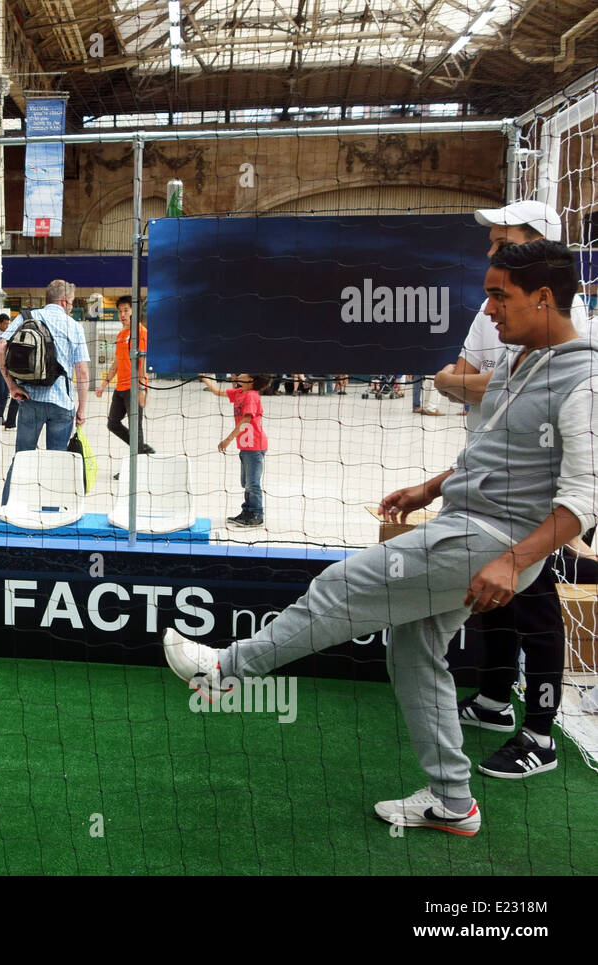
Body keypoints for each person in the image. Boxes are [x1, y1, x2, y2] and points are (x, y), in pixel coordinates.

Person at [165, 241, 598, 835]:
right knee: (414, 651)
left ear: (544, 298)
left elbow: (583, 501)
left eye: (501, 295)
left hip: (493, 542)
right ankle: (452, 802)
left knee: (343, 583)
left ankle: (225, 670)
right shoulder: (521, 360)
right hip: (464, 523)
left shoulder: (586, 380)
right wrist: (431, 487)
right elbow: (499, 453)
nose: (489, 308)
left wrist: (513, 561)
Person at [430, 202, 593, 779]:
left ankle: (541, 733)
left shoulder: (575, 339)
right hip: (486, 473)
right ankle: (497, 701)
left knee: (534, 596)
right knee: (491, 596)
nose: (491, 252)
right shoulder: (490, 306)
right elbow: (452, 379)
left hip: (537, 488)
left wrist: (483, 384)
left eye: (504, 243)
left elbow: (483, 382)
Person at [0, 279, 91, 503]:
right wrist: (82, 410)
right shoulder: (74, 326)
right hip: (62, 405)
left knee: (22, 458)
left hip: (30, 400)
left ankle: (8, 507)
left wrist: (12, 386)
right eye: (72, 303)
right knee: (57, 463)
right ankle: (52, 511)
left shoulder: (27, 317)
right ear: (65, 301)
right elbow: (83, 373)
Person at [198, 372, 272, 528]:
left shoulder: (251, 396)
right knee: (246, 482)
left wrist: (227, 440)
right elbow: (217, 391)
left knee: (252, 483)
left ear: (251, 379)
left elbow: (246, 420)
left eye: (244, 373)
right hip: (246, 447)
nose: (240, 374)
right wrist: (204, 378)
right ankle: (248, 511)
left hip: (255, 446)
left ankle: (256, 514)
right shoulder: (240, 392)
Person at [96, 295, 155, 457]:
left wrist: (143, 388)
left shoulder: (141, 332)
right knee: (112, 423)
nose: (122, 315)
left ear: (133, 311)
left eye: (126, 310)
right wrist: (104, 384)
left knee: (136, 426)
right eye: (120, 311)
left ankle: (136, 465)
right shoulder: (121, 335)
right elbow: (116, 362)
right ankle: (142, 449)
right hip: (120, 387)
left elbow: (143, 361)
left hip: (134, 387)